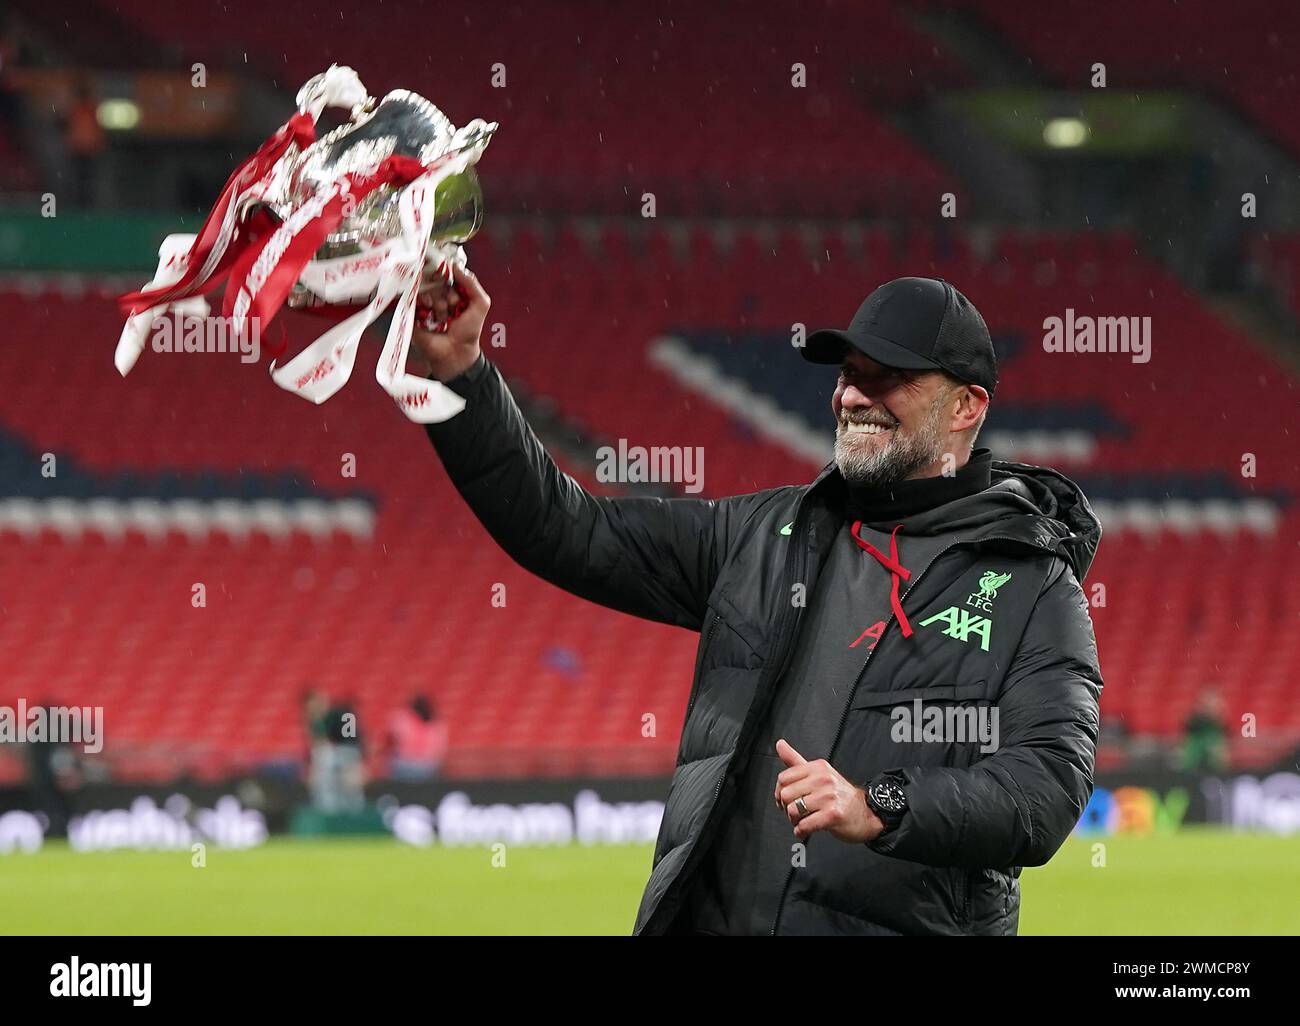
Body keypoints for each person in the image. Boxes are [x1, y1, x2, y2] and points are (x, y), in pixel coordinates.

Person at [412, 269, 1103, 936]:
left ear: (966, 407)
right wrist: (462, 374)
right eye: (848, 374)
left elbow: (1043, 790)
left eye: (887, 377)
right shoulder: (760, 537)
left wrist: (880, 805)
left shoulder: (1033, 587)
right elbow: (563, 529)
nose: (853, 396)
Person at [386, 695, 449, 780]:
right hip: (428, 766)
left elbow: (391, 741)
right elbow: (440, 750)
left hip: (405, 765)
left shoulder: (404, 720)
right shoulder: (437, 725)